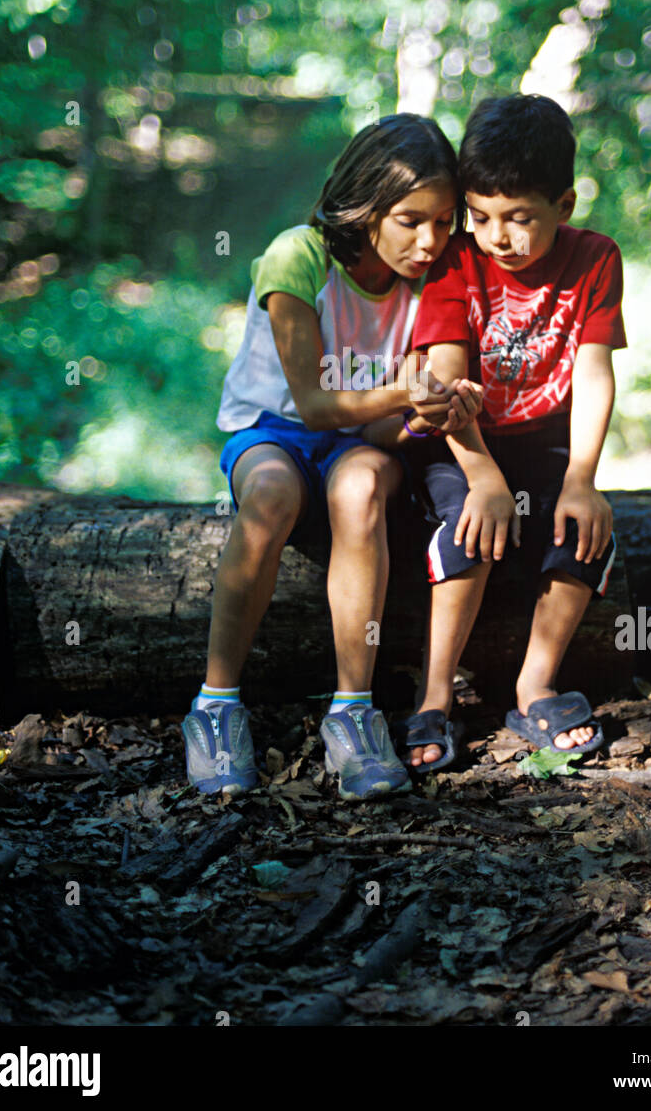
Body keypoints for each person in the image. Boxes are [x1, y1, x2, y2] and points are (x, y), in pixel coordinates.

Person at [182, 114, 482, 802]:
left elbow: (380, 436)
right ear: (366, 203)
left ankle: (353, 711)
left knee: (363, 488)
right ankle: (215, 705)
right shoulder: (298, 256)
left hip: (357, 443)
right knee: (270, 498)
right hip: (272, 430)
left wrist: (426, 415)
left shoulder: (426, 282)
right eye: (410, 220)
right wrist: (402, 393)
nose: (430, 240)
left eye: (443, 221)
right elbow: (313, 406)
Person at [397, 94, 627, 771]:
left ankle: (535, 685)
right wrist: (483, 475)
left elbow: (592, 372)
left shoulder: (594, 260)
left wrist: (582, 481)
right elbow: (439, 392)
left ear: (565, 203)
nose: (498, 236)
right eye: (481, 216)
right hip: (459, 441)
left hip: (544, 440)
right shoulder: (454, 263)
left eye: (518, 217)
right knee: (469, 527)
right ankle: (432, 694)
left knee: (583, 532)